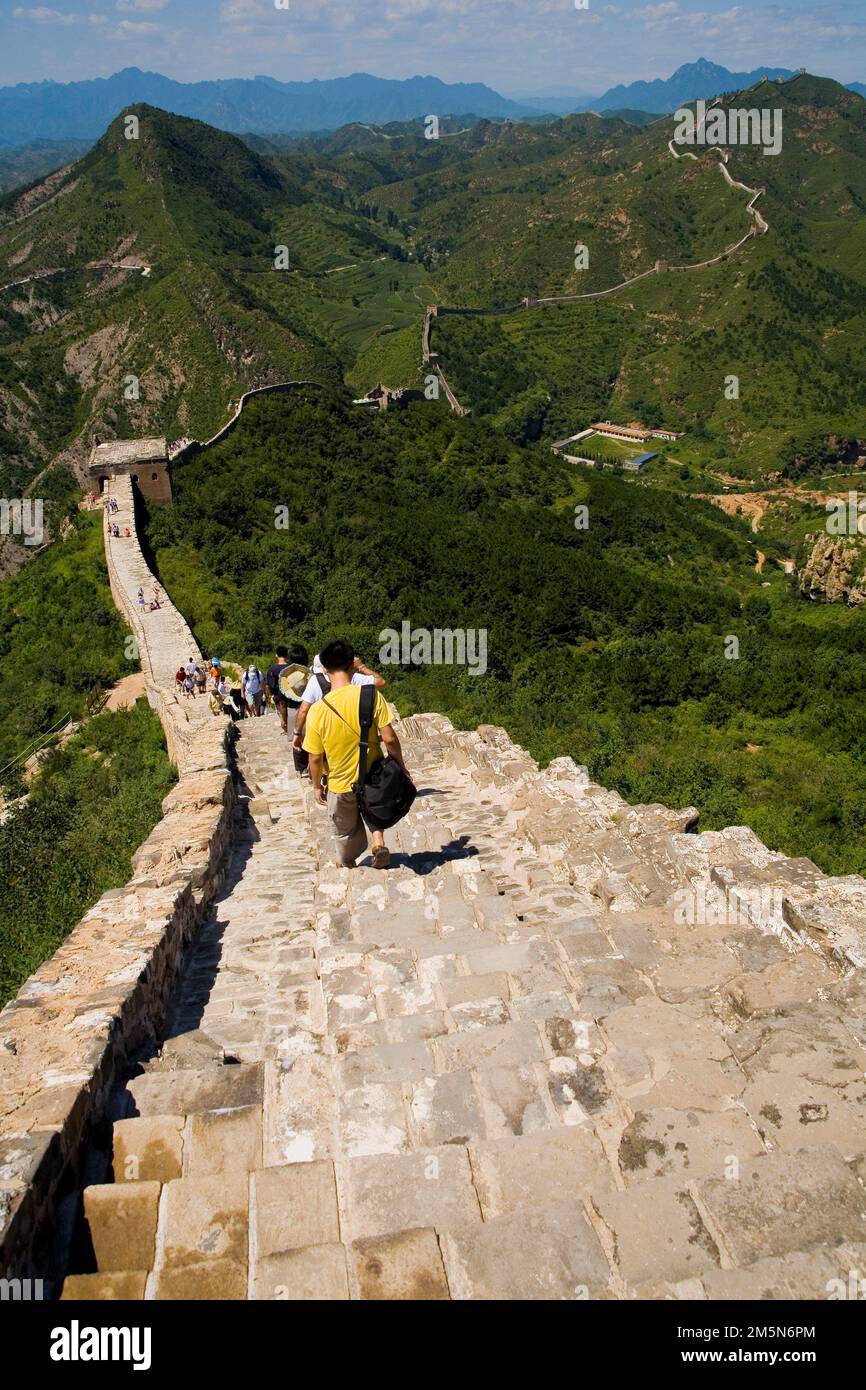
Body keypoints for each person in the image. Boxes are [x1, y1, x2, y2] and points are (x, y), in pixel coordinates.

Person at [303, 637, 411, 871]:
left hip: (340, 783)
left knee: (344, 829)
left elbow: (314, 757)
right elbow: (390, 739)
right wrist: (401, 766)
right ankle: (378, 843)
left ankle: (349, 864)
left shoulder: (318, 711)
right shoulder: (370, 695)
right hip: (373, 773)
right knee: (372, 804)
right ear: (353, 665)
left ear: (324, 669)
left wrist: (316, 786)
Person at [292, 651, 385, 767]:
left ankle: (324, 777)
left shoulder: (314, 681)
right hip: (357, 734)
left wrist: (297, 732)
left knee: (328, 765)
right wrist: (361, 666)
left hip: (328, 735)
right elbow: (381, 682)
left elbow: (303, 710)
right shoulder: (356, 678)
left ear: (325, 668)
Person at [266, 643, 308, 735]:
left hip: (282, 698)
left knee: (294, 738)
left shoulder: (273, 670)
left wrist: (269, 696)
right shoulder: (308, 677)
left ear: (276, 655)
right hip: (306, 710)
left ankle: (286, 729)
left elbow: (269, 685)